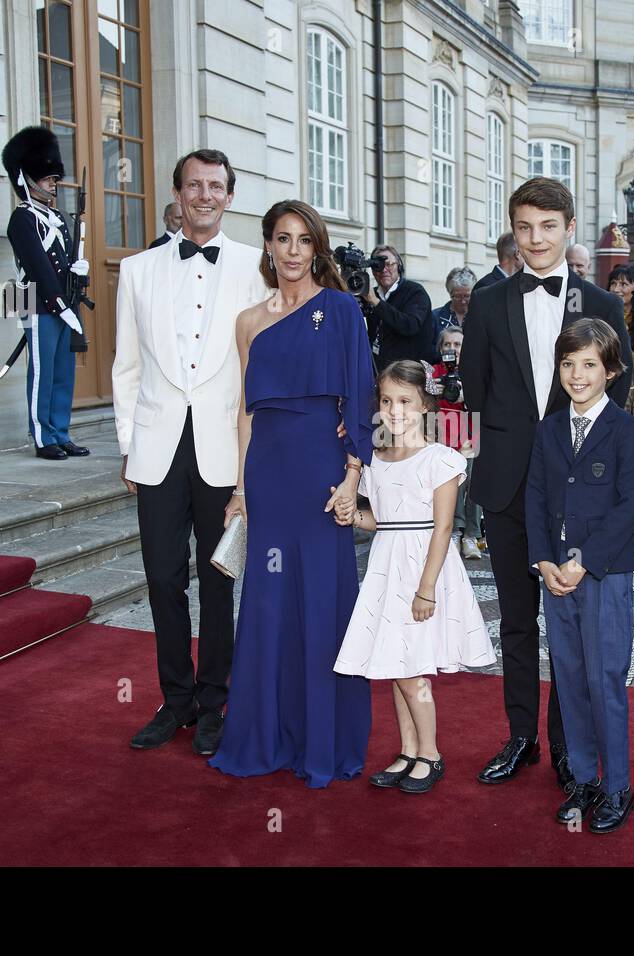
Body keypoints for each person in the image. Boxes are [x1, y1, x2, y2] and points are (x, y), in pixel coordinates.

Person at [461, 176, 632, 790]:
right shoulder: (486, 302)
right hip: (507, 485)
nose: (536, 239)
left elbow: (619, 402)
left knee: (574, 623)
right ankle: (521, 737)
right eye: (525, 227)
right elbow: (474, 392)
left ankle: (569, 744)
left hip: (577, 491)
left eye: (548, 227)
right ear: (514, 230)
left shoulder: (604, 307)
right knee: (516, 619)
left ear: (569, 229)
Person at [208, 198, 376, 789]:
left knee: (324, 598)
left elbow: (359, 397)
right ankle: (266, 734)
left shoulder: (340, 310)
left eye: (305, 240)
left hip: (324, 472)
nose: (294, 251)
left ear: (317, 248)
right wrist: (240, 490)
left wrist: (353, 479)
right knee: (269, 600)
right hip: (271, 474)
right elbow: (245, 413)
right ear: (268, 246)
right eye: (283, 239)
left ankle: (321, 739)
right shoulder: (248, 321)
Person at [113, 148, 268, 754]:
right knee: (162, 578)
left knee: (218, 577)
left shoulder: (258, 267)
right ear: (177, 193)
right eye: (194, 185)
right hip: (156, 447)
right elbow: (126, 367)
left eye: (216, 186)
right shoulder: (137, 270)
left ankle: (214, 701)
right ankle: (174, 700)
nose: (204, 195)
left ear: (230, 196)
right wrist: (129, 444)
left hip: (223, 449)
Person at [331, 360, 495, 793]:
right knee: (394, 665)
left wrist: (426, 589)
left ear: (425, 405)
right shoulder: (376, 460)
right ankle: (408, 750)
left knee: (412, 671)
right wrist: (353, 516)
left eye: (404, 401)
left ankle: (432, 755)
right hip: (387, 568)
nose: (394, 410)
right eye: (386, 401)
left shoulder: (441, 458)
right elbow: (381, 522)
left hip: (424, 572)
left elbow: (443, 527)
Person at [527, 318, 634, 832]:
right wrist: (544, 560)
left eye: (589, 365)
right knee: (570, 678)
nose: (577, 374)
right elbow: (535, 496)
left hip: (604, 573)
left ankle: (617, 786)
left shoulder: (627, 429)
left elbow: (627, 506)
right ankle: (582, 778)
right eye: (568, 364)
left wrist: (583, 562)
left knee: (604, 680)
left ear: (611, 371)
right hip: (556, 575)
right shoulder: (549, 428)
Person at [1, 125, 90, 461]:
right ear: (28, 178)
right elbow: (37, 265)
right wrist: (58, 304)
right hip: (37, 303)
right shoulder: (22, 219)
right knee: (42, 372)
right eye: (48, 178)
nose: (54, 183)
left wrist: (80, 274)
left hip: (65, 302)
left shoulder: (57, 217)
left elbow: (65, 261)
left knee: (64, 371)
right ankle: (42, 436)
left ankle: (60, 431)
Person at [431, 327, 482, 558]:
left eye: (457, 345)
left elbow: (488, 401)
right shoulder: (433, 373)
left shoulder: (476, 372)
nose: (452, 349)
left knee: (473, 484)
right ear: (440, 349)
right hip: (441, 437)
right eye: (447, 345)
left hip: (471, 435)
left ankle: (471, 534)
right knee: (451, 484)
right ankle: (454, 530)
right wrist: (435, 390)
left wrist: (468, 394)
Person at [361, 244, 433, 370]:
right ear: (372, 270)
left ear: (398, 265)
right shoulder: (369, 295)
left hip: (408, 371)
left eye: (389, 264)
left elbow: (410, 325)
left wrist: (376, 302)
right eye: (378, 266)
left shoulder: (415, 291)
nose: (384, 270)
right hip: (377, 369)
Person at [608, 264, 634, 417]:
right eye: (613, 283)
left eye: (624, 284)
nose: (616, 289)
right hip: (612, 391)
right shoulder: (603, 316)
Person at [428, 266, 476, 363]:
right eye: (457, 296)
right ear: (450, 294)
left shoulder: (480, 317)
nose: (463, 301)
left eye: (467, 296)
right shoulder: (435, 317)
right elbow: (428, 350)